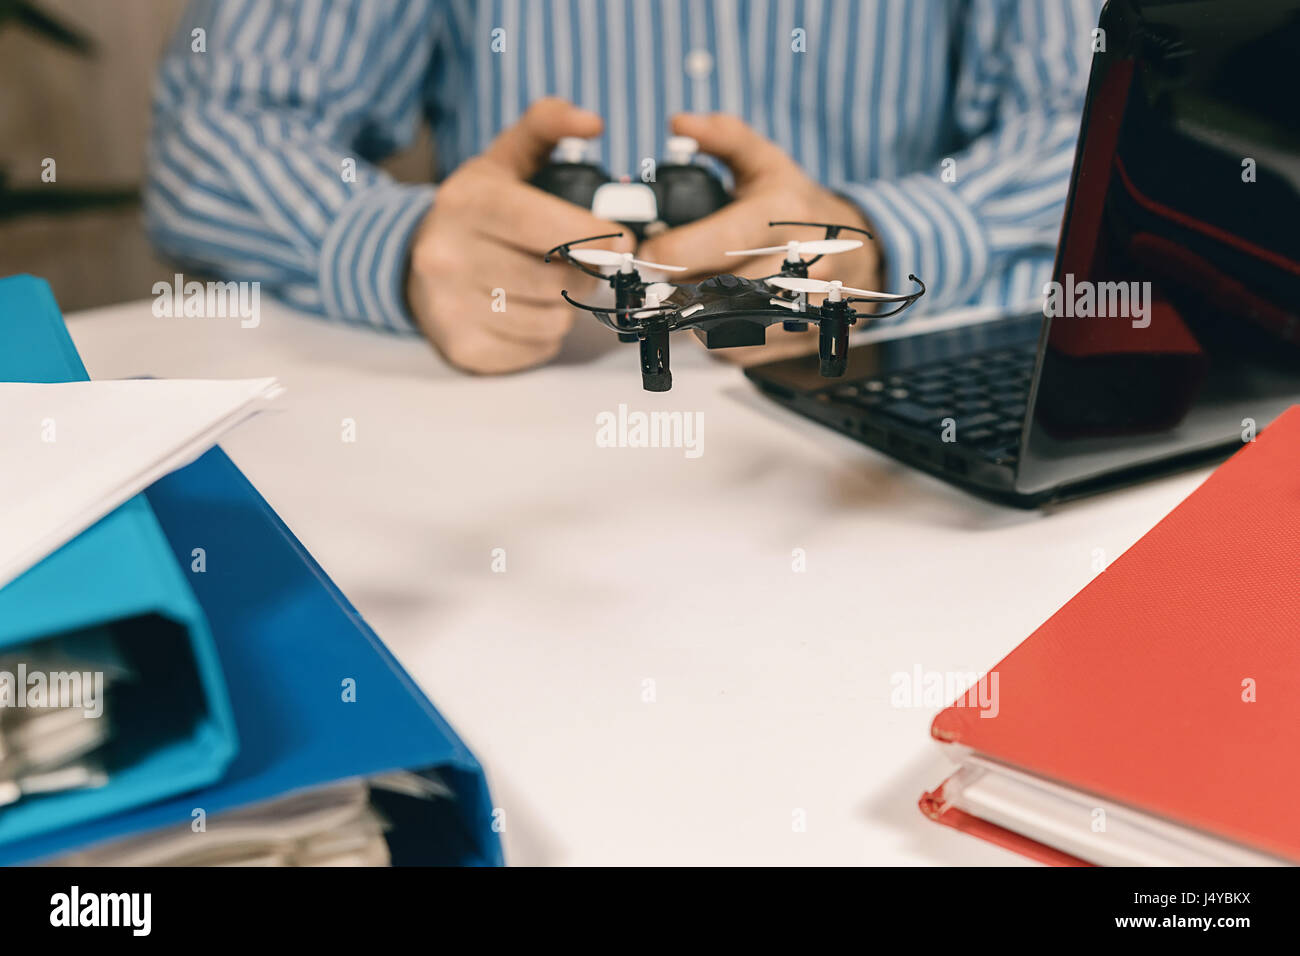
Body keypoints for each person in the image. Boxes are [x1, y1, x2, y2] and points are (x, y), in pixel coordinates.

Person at [147, 0, 1100, 374]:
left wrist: (885, 237)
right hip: (500, 436)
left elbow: (1110, 117)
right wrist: (403, 251)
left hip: (860, 408)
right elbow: (217, 132)